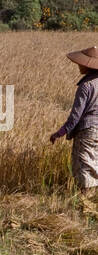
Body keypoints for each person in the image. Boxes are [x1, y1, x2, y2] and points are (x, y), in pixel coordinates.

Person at [50, 46, 98, 194]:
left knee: (84, 163)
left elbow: (76, 115)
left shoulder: (86, 86)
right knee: (95, 161)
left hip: (87, 131)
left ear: (87, 65)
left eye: (80, 63)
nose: (79, 65)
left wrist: (60, 132)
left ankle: (86, 199)